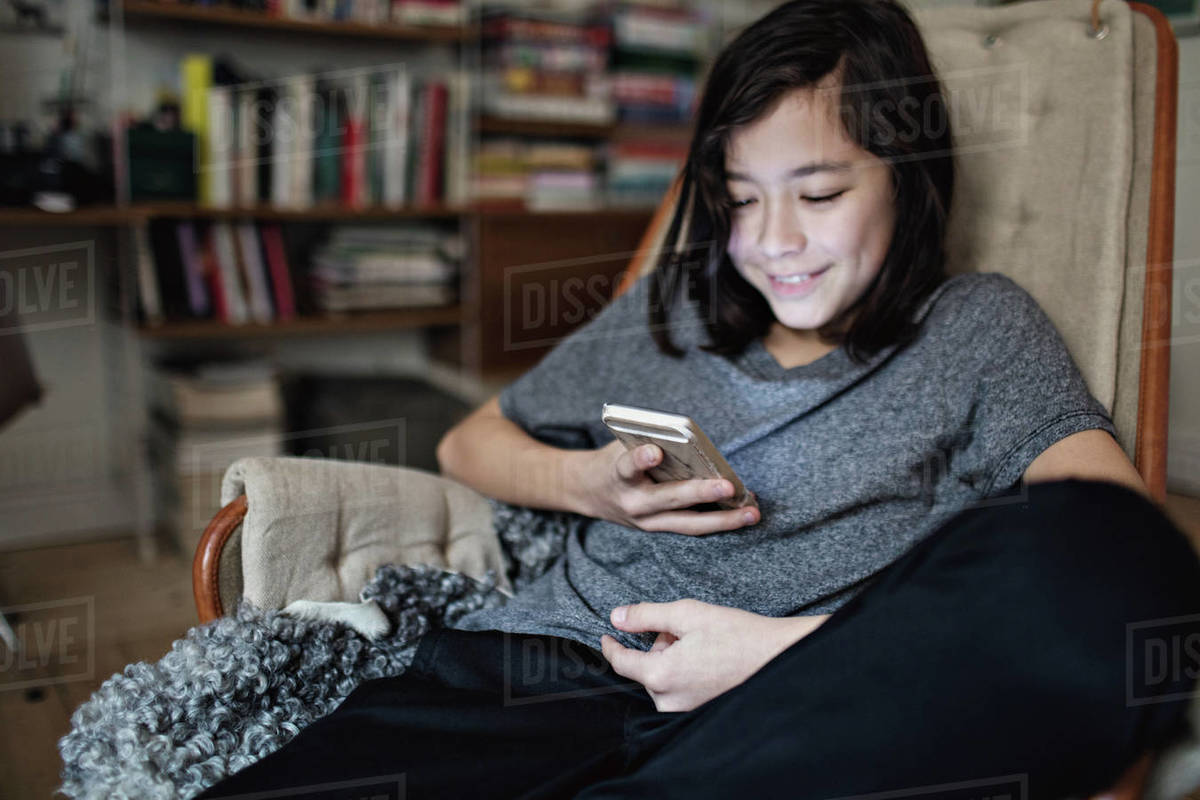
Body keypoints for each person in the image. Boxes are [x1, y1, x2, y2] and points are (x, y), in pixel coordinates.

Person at [198, 1, 1200, 798]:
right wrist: (590, 482)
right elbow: (471, 441)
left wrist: (783, 654)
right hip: (539, 668)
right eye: (740, 196)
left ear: (907, 178)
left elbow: (1112, 557)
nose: (773, 243)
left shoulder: (978, 326)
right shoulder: (672, 305)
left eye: (818, 195)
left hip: (791, 706)